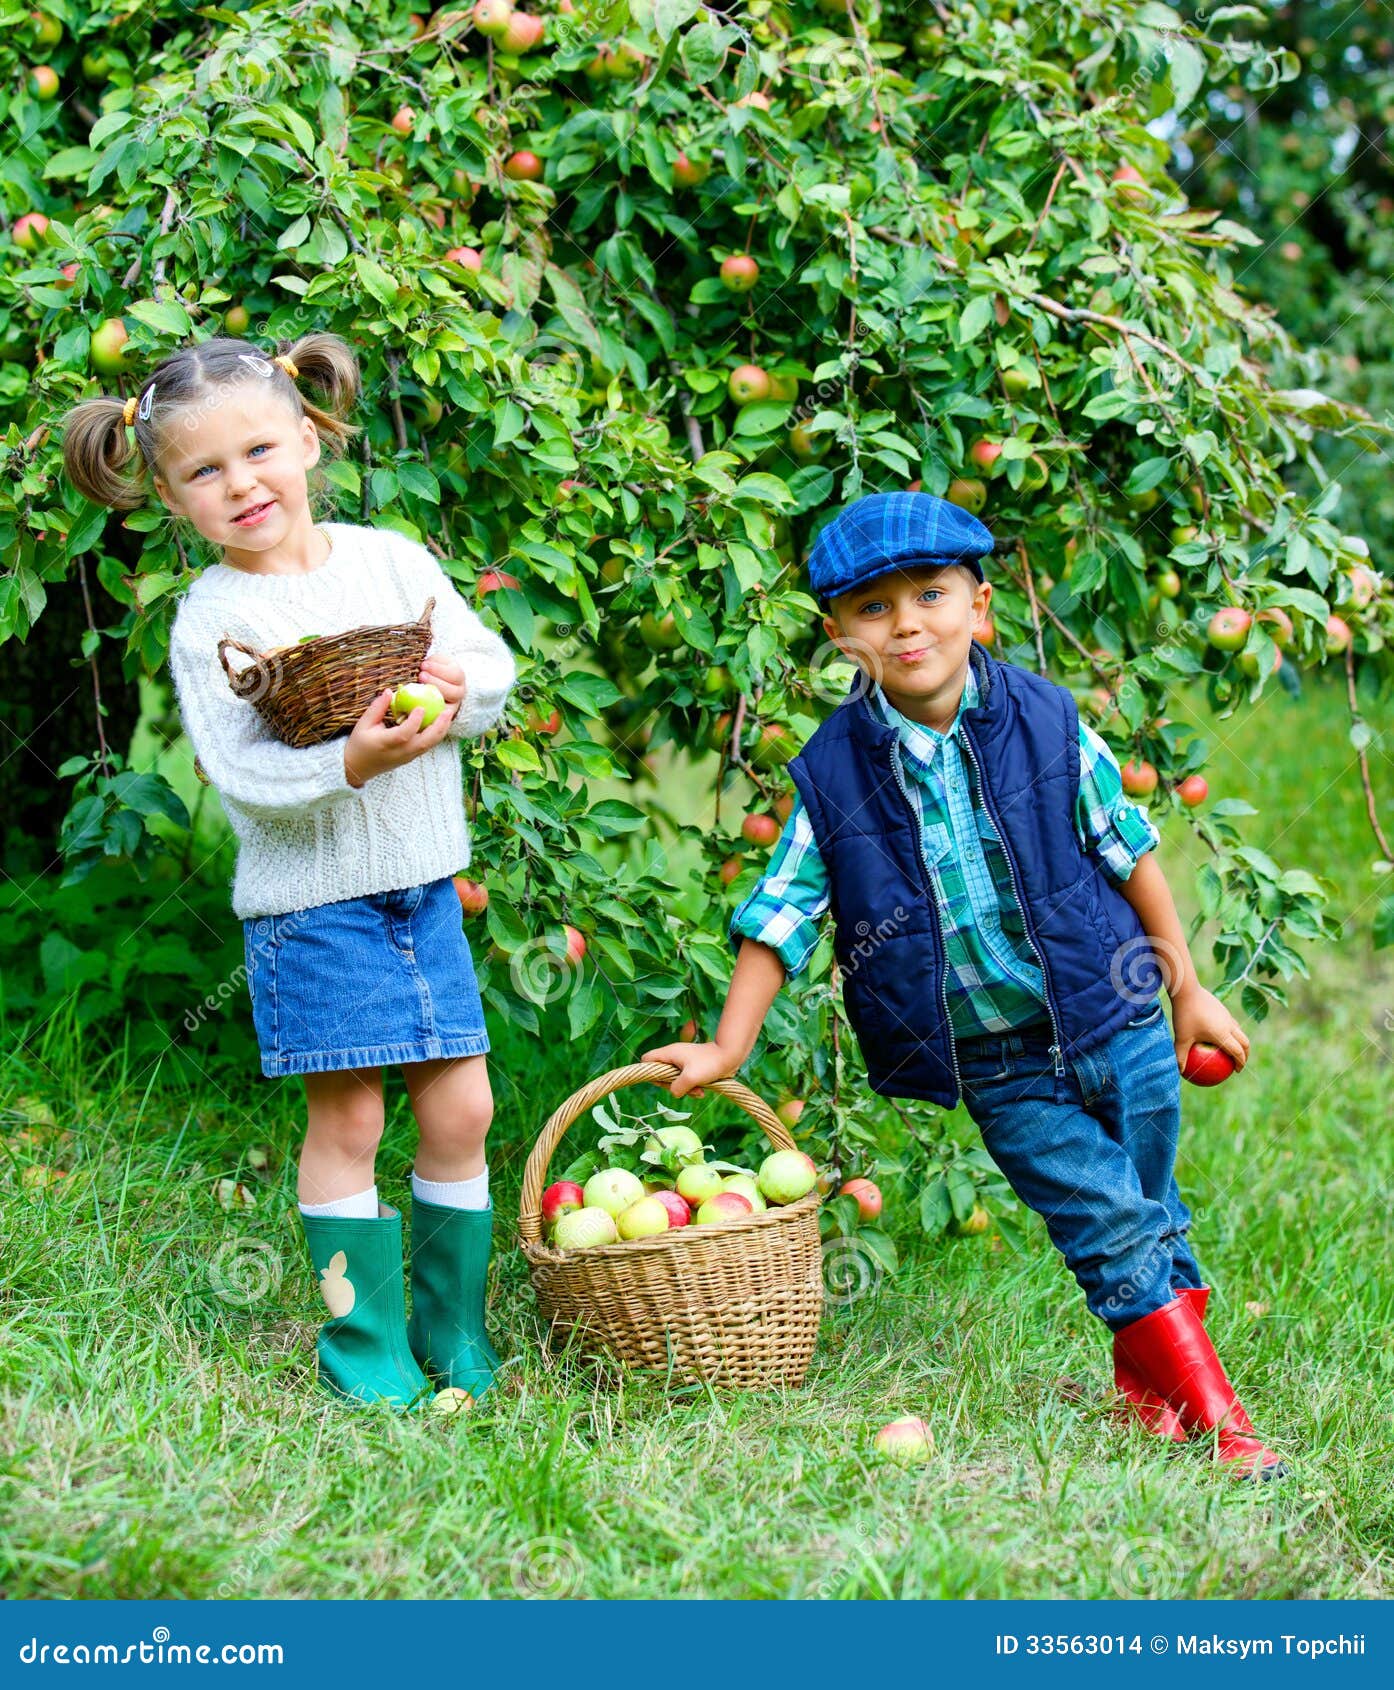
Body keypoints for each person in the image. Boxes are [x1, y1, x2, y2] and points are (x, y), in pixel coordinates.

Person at [644, 490, 1284, 1480]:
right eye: (873, 608)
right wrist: (728, 1046)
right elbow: (779, 914)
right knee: (1104, 1220)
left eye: (931, 594)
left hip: (1115, 1013)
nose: (906, 622)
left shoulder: (1047, 718)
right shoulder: (831, 773)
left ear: (978, 607)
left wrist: (1184, 989)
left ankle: (1145, 1392)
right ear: (838, 637)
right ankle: (1224, 1426)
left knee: (1145, 1211)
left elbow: (1127, 848)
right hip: (994, 1058)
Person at [59, 333, 516, 1412]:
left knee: (463, 1108)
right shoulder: (214, 619)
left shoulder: (391, 561)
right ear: (172, 500)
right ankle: (366, 1347)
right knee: (349, 1120)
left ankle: (453, 1328)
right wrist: (350, 758)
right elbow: (243, 775)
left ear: (309, 440)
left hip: (421, 887)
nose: (241, 483)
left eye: (259, 448)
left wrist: (455, 688)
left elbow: (487, 661)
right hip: (310, 909)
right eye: (204, 472)